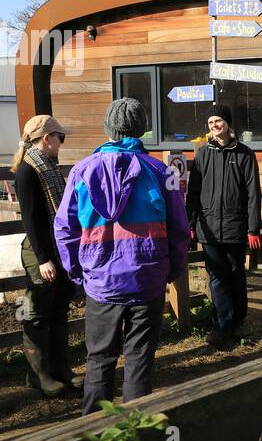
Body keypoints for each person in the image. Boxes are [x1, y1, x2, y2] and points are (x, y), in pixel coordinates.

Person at [54, 97, 190, 416]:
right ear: (142, 129)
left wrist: (78, 273)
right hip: (148, 280)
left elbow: (64, 228)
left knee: (99, 360)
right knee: (140, 361)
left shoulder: (81, 171)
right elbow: (180, 229)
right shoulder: (161, 171)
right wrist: (170, 270)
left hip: (100, 283)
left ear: (108, 129)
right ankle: (136, 438)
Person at [186, 103, 262, 349]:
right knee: (217, 277)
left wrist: (253, 229)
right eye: (210, 123)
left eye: (217, 121)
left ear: (228, 123)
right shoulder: (202, 154)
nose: (214, 126)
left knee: (236, 274)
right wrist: (191, 223)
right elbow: (193, 192)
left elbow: (252, 194)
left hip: (235, 227)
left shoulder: (244, 154)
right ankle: (222, 326)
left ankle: (238, 320)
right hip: (208, 227)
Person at [11, 114, 77, 397]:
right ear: (46, 138)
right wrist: (42, 258)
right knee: (36, 313)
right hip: (43, 251)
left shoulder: (48, 166)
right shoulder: (28, 171)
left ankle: (62, 370)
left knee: (59, 311)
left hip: (58, 246)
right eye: (59, 137)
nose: (62, 143)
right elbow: (31, 219)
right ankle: (39, 375)